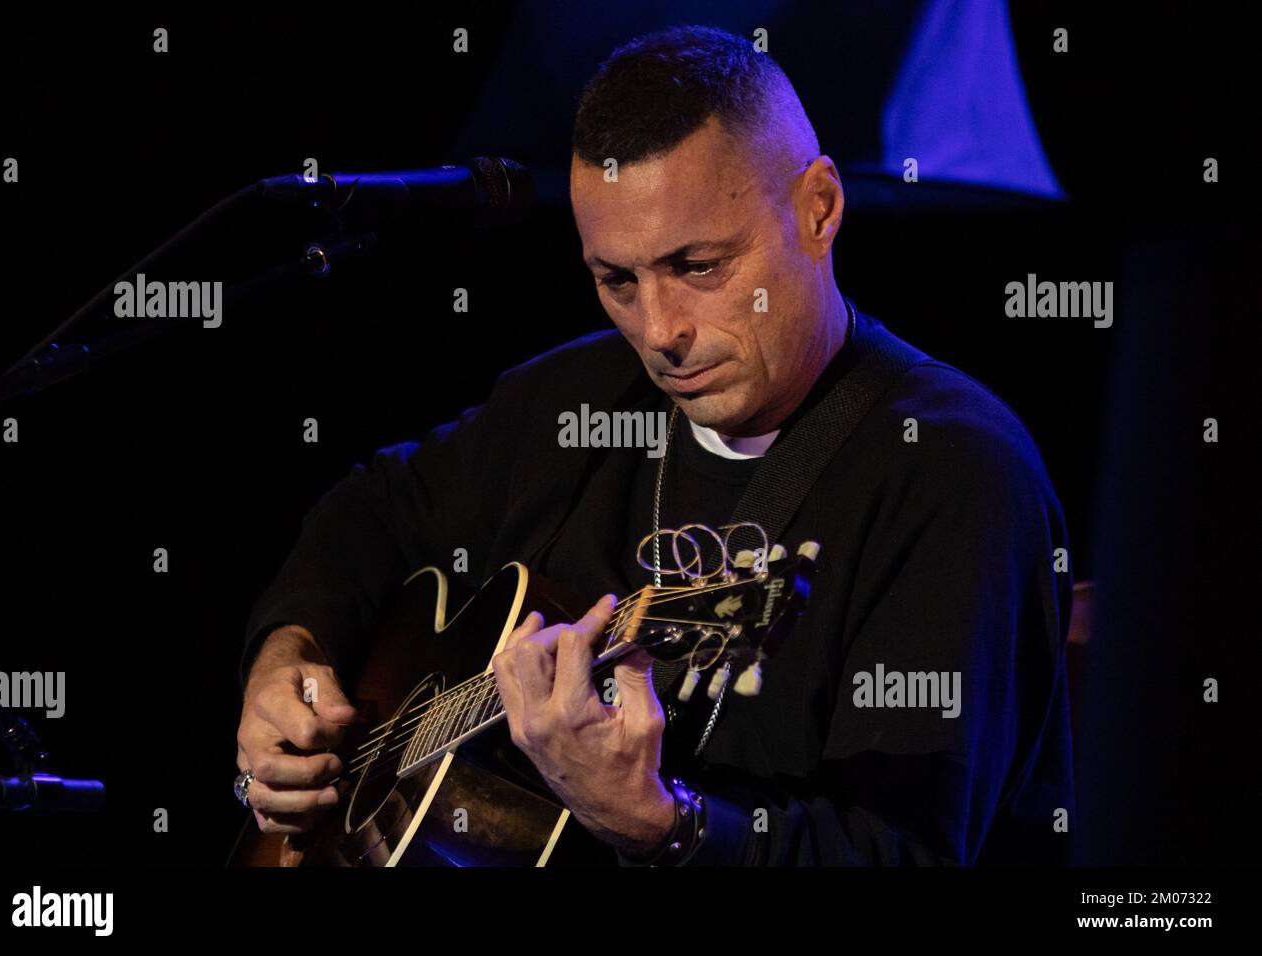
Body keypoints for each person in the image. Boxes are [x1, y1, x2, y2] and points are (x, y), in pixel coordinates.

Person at [234, 25, 1074, 865]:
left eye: (700, 265)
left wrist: (663, 826)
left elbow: (905, 852)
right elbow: (372, 510)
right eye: (617, 281)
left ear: (818, 209)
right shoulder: (567, 401)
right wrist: (289, 656)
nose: (661, 330)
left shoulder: (953, 472)